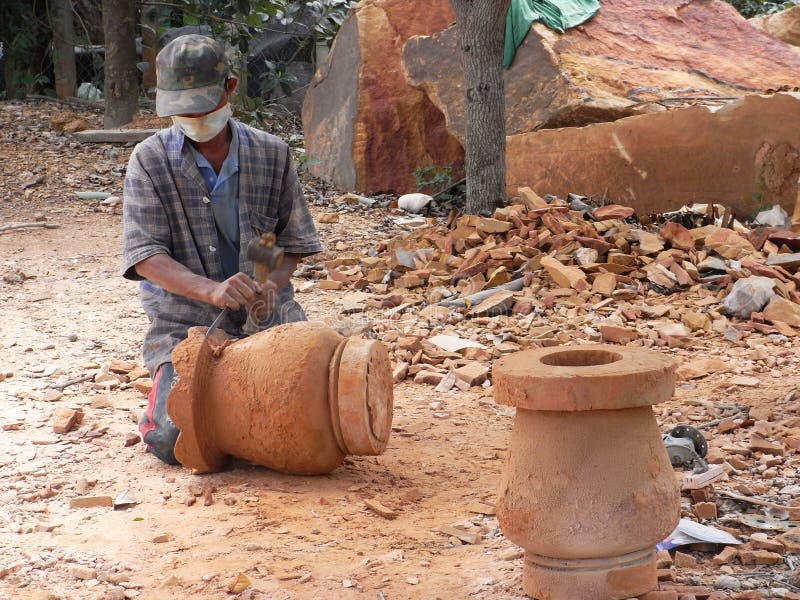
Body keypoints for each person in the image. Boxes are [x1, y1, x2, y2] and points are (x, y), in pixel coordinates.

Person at [121, 34, 323, 465]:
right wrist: (211, 291)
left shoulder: (272, 154)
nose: (192, 117)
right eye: (182, 109)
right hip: (186, 323)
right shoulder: (150, 160)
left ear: (230, 88)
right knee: (173, 439)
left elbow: (290, 242)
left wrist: (266, 284)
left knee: (311, 416)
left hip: (268, 317)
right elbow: (145, 256)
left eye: (201, 106)